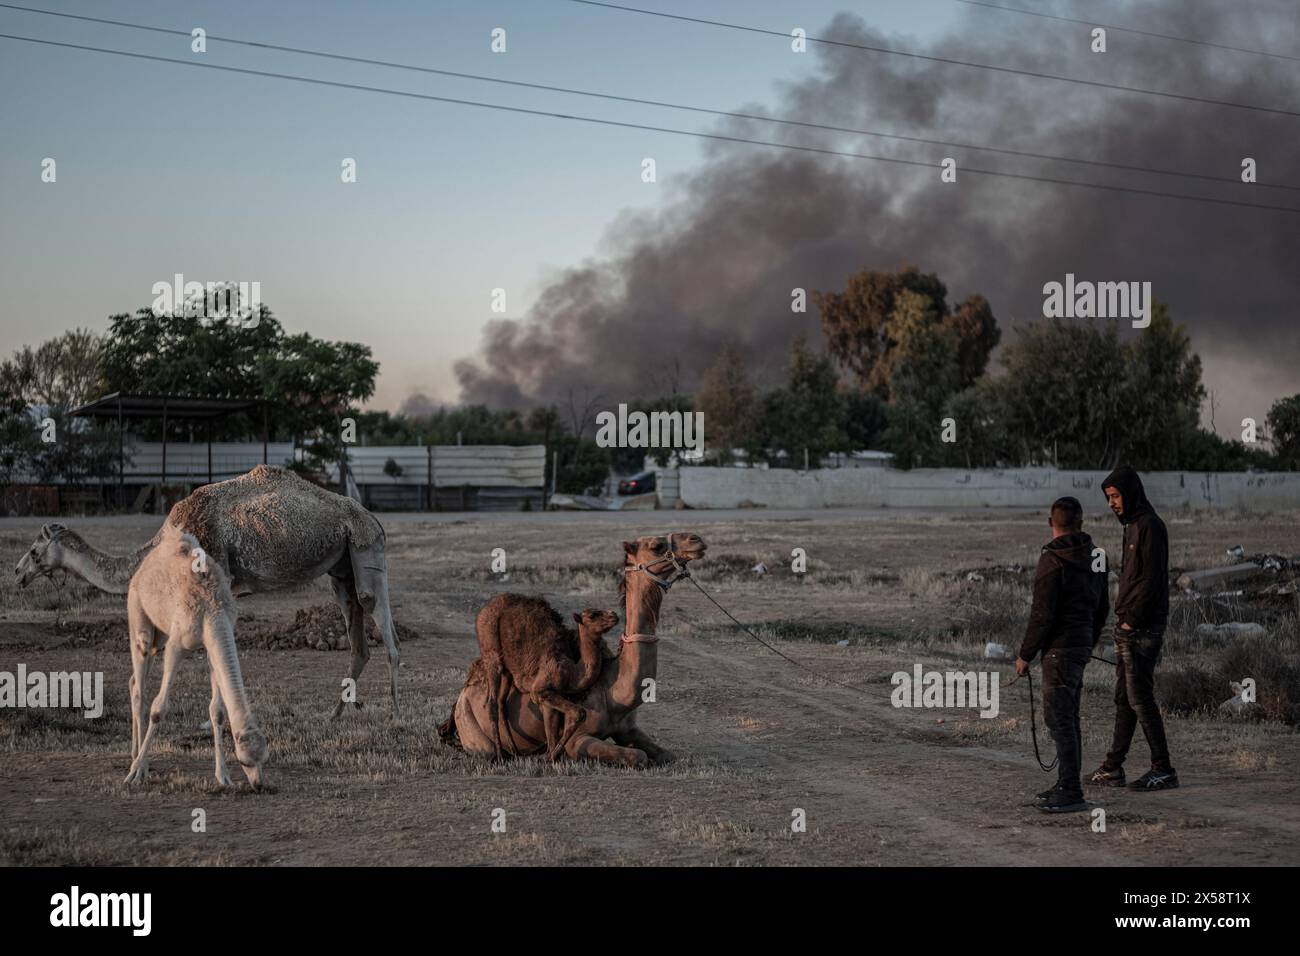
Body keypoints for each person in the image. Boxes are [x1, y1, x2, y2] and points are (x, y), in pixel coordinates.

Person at [1087, 465, 1179, 791]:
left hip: (1142, 630)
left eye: (1115, 496)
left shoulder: (1150, 526)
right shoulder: (1133, 526)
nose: (1111, 503)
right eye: (1108, 498)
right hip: (1128, 627)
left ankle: (1163, 768)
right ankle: (1114, 766)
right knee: (1124, 698)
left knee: (1140, 698)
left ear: (1130, 492)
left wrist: (1130, 621)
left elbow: (1152, 581)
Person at [1016, 496, 1109, 813]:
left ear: (1050, 523)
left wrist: (1025, 654)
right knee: (1069, 717)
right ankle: (1066, 782)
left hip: (1058, 649)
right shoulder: (1097, 556)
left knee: (1059, 718)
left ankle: (1070, 789)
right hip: (1080, 644)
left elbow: (1042, 614)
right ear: (1081, 523)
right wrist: (1088, 641)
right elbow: (1103, 607)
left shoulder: (1052, 558)